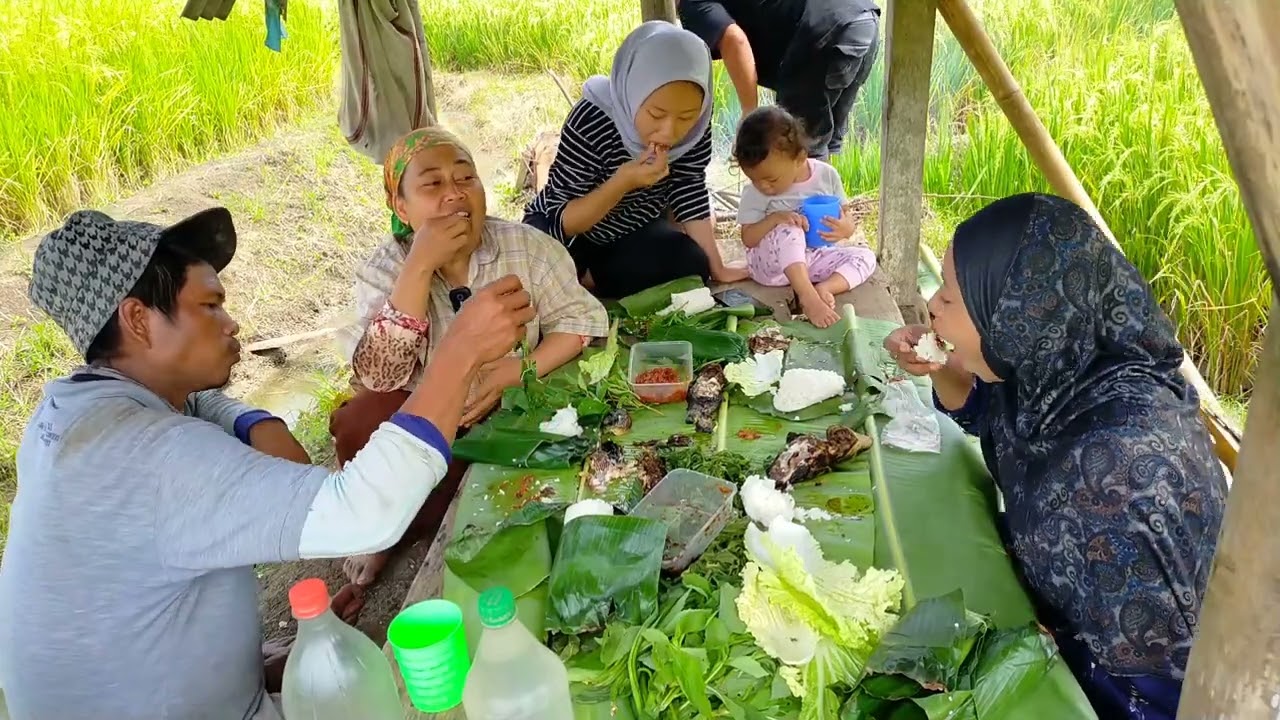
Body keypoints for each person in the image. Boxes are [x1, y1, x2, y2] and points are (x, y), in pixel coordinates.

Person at [0, 207, 534, 719]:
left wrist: (243, 665)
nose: (231, 323)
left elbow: (264, 441)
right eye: (209, 307)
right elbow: (362, 515)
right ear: (139, 320)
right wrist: (459, 353)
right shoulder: (147, 455)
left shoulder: (70, 415)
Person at [883, 193, 1227, 719]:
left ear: (1020, 312)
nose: (931, 305)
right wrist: (937, 365)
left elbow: (1154, 685)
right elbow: (986, 412)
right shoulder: (1059, 364)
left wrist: (1054, 642)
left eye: (951, 298)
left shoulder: (1116, 480)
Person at [334, 126, 609, 587]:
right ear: (401, 207)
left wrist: (516, 371)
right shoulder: (386, 269)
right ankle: (386, 533)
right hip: (428, 419)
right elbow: (380, 376)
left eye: (466, 179)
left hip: (512, 407)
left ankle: (427, 518)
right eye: (432, 184)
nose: (454, 195)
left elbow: (582, 322)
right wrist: (419, 267)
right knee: (359, 422)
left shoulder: (526, 247)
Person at [524, 21, 748, 298]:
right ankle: (582, 274)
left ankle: (589, 277)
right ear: (633, 91)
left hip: (630, 230)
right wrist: (622, 182)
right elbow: (562, 220)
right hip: (568, 232)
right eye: (656, 114)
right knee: (535, 270)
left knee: (692, 266)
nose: (670, 131)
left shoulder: (696, 123)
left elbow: (689, 187)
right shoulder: (593, 119)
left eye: (686, 117)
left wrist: (719, 268)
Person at [678, 0, 880, 160]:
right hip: (863, 19)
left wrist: (750, 116)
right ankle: (825, 206)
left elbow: (734, 39)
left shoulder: (694, 2)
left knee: (795, 148)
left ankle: (804, 209)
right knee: (818, 145)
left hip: (825, 29)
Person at [733, 106, 877, 328]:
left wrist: (845, 229)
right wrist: (775, 219)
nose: (763, 186)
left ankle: (826, 287)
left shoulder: (826, 175)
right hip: (770, 267)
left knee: (866, 256)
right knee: (791, 229)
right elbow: (748, 239)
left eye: (771, 179)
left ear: (800, 158)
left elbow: (846, 215)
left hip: (814, 260)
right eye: (754, 180)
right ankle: (808, 297)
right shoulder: (757, 192)